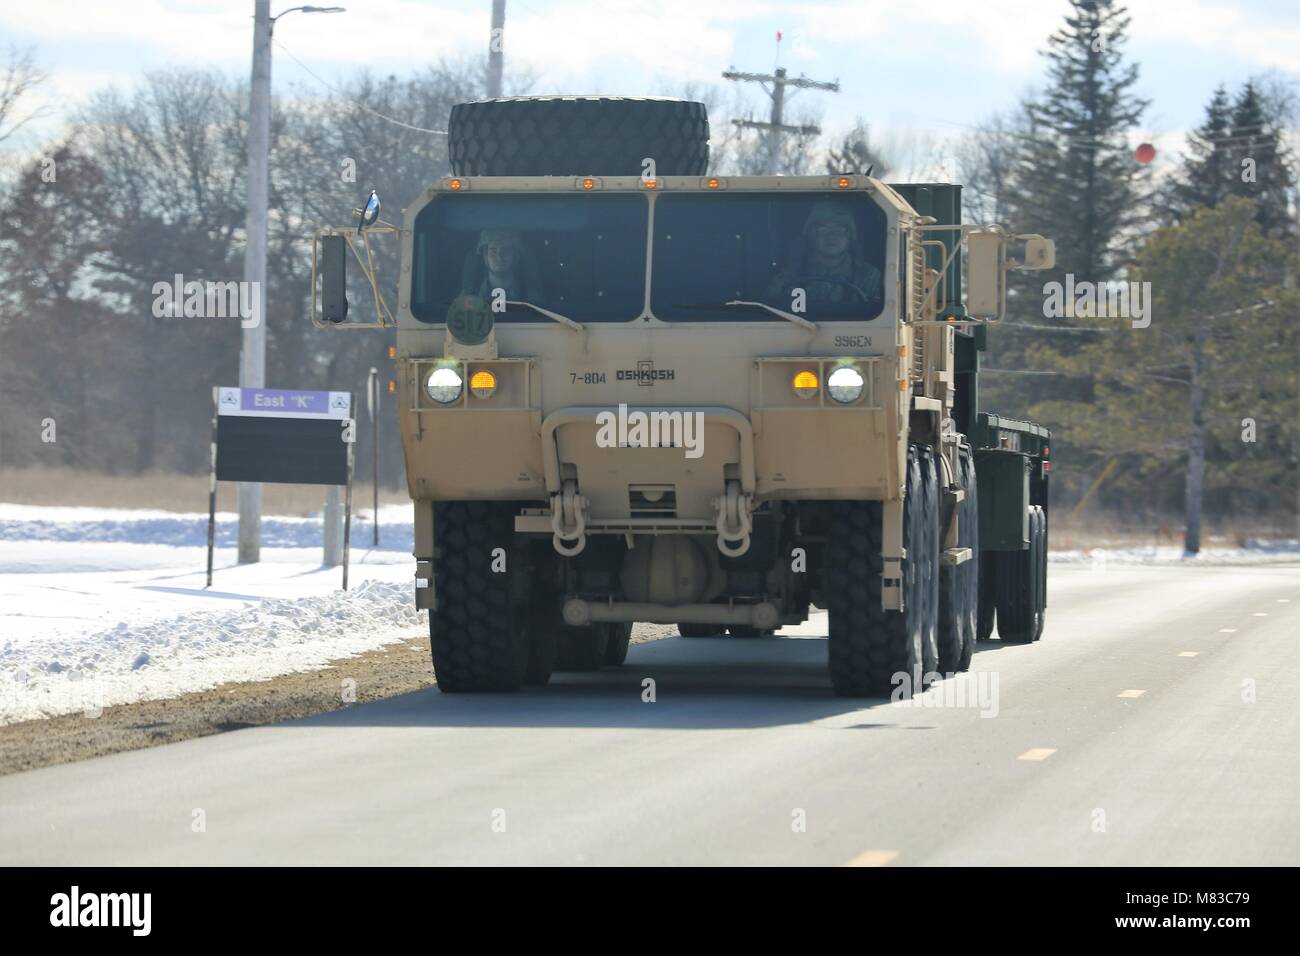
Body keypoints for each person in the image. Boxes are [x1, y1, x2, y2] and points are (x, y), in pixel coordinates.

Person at [766, 203, 882, 308]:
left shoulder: (869, 277)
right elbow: (770, 315)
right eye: (823, 228)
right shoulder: (788, 276)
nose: (832, 235)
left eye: (840, 228)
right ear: (811, 235)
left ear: (851, 236)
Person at [462, 229, 543, 302]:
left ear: (515, 256)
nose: (499, 256)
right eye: (493, 250)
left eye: (506, 250)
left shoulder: (530, 297)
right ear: (485, 257)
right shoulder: (469, 296)